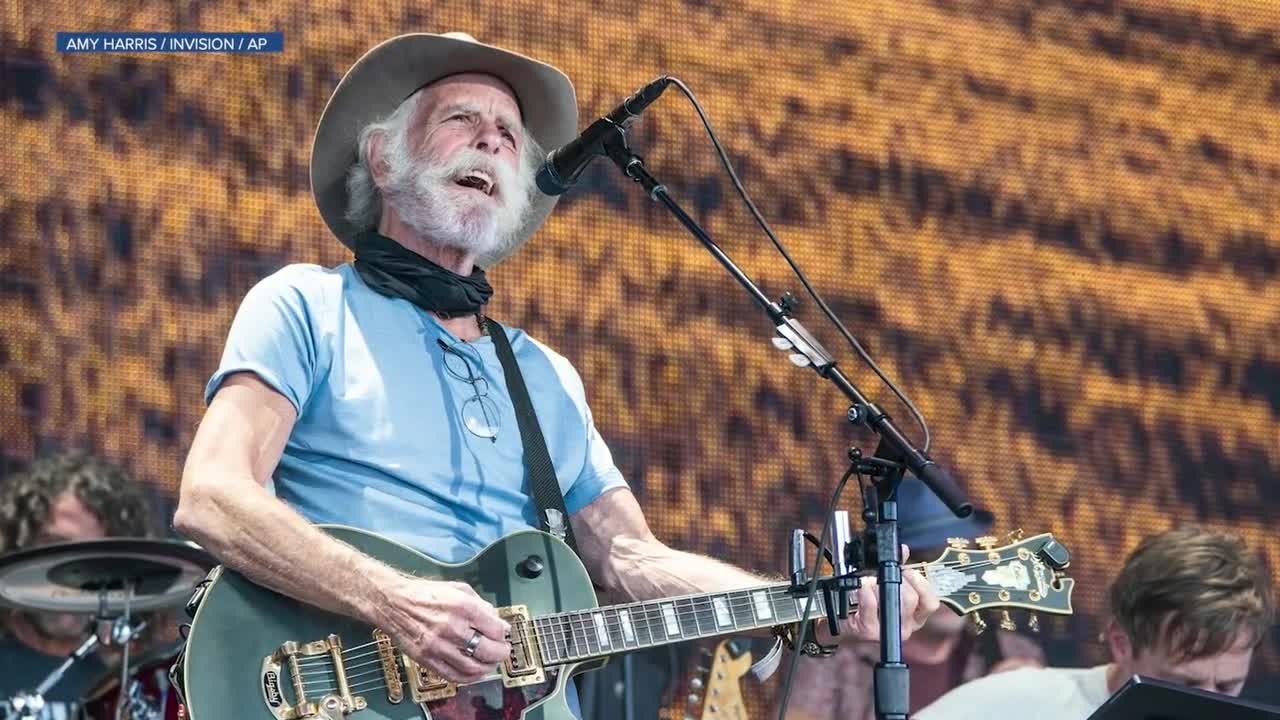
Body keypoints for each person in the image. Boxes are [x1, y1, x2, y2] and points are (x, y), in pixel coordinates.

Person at [171, 31, 940, 718]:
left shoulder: (544, 375)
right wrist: (395, 601)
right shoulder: (306, 303)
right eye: (461, 120)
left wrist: (797, 605)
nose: (494, 143)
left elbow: (630, 559)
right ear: (383, 156)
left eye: (509, 133)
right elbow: (212, 497)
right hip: (327, 684)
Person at [914, 526, 1275, 720]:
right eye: (1185, 685)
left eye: (1228, 687)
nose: (1207, 711)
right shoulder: (1009, 704)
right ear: (1122, 642)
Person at [772, 478, 1045, 719]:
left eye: (961, 563)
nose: (952, 582)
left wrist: (1046, 698)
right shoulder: (832, 656)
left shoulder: (1016, 654)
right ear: (885, 573)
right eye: (929, 567)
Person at [0, 453, 157, 720]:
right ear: (20, 545)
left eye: (96, 556)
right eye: (57, 546)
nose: (76, 573)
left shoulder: (129, 692)